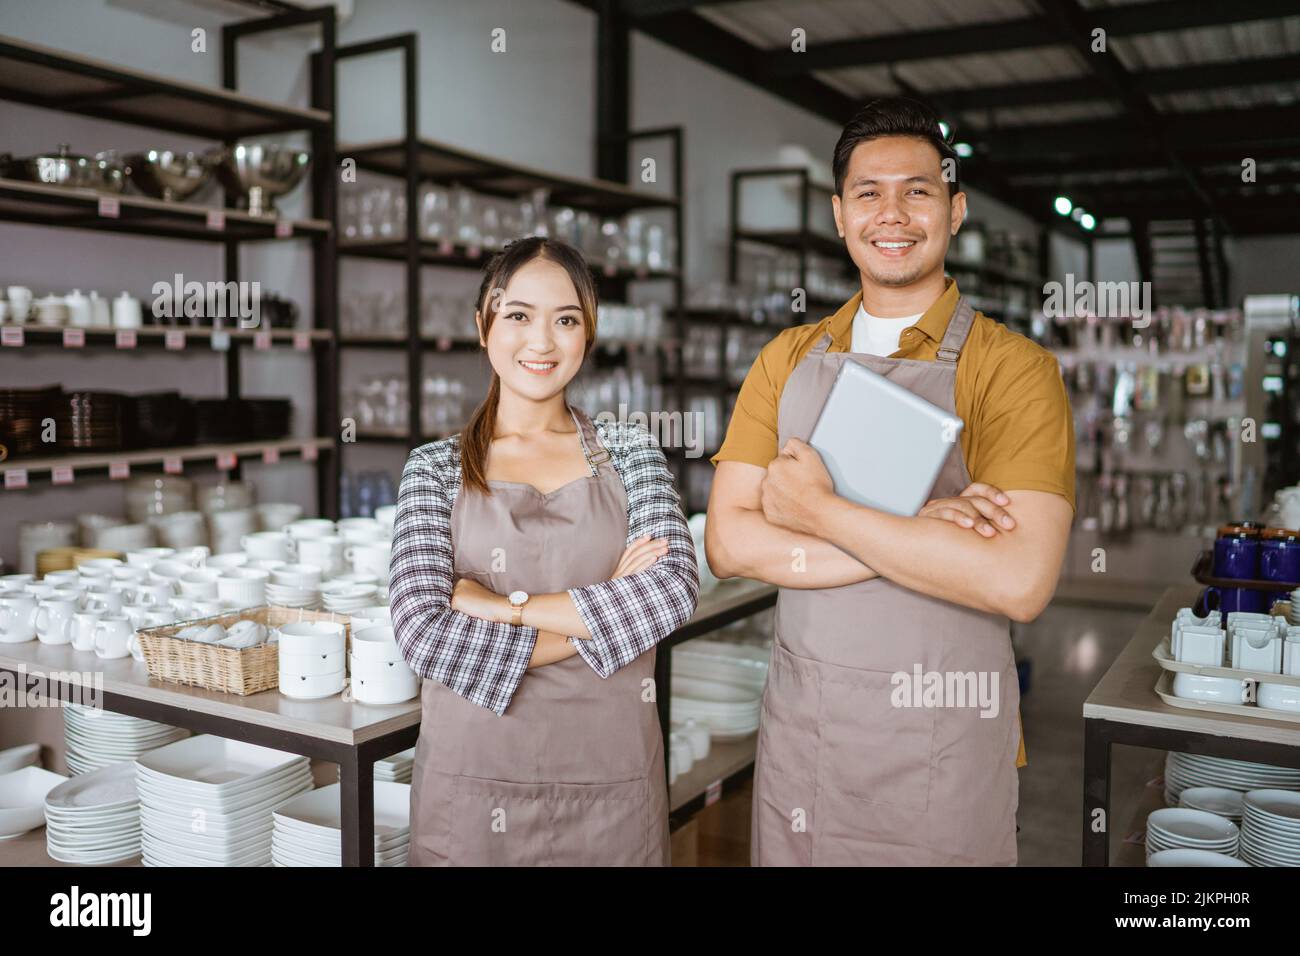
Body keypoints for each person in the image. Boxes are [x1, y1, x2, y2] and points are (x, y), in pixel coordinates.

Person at [706, 97, 1076, 866]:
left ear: (956, 208)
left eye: (919, 190)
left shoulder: (1013, 370)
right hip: (808, 740)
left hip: (941, 753)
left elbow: (1018, 581)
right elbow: (730, 540)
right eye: (869, 194)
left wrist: (812, 509)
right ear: (840, 216)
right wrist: (927, 529)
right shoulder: (786, 359)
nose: (893, 213)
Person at [389, 236, 700, 866]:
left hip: (612, 794)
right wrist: (611, 602)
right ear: (484, 326)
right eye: (519, 316)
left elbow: (670, 593)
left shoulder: (633, 450)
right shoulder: (433, 468)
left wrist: (504, 607)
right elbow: (423, 632)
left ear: (588, 335)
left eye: (566, 320)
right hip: (472, 796)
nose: (543, 341)